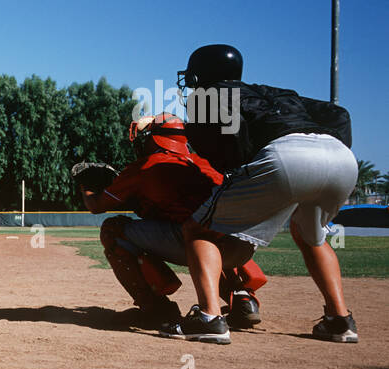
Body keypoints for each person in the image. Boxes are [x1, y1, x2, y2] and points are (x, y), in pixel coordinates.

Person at [160, 44, 358, 344]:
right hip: (340, 158)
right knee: (311, 236)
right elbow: (338, 112)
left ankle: (209, 318)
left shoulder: (205, 96)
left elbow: (221, 154)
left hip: (285, 158)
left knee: (199, 230)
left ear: (202, 73)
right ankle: (339, 320)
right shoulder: (273, 91)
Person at [79, 113, 268, 327]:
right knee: (213, 227)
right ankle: (243, 299)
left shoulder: (147, 165)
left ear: (154, 139)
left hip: (197, 243)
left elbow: (96, 206)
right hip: (243, 245)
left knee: (113, 230)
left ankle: (154, 308)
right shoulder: (206, 162)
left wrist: (87, 185)